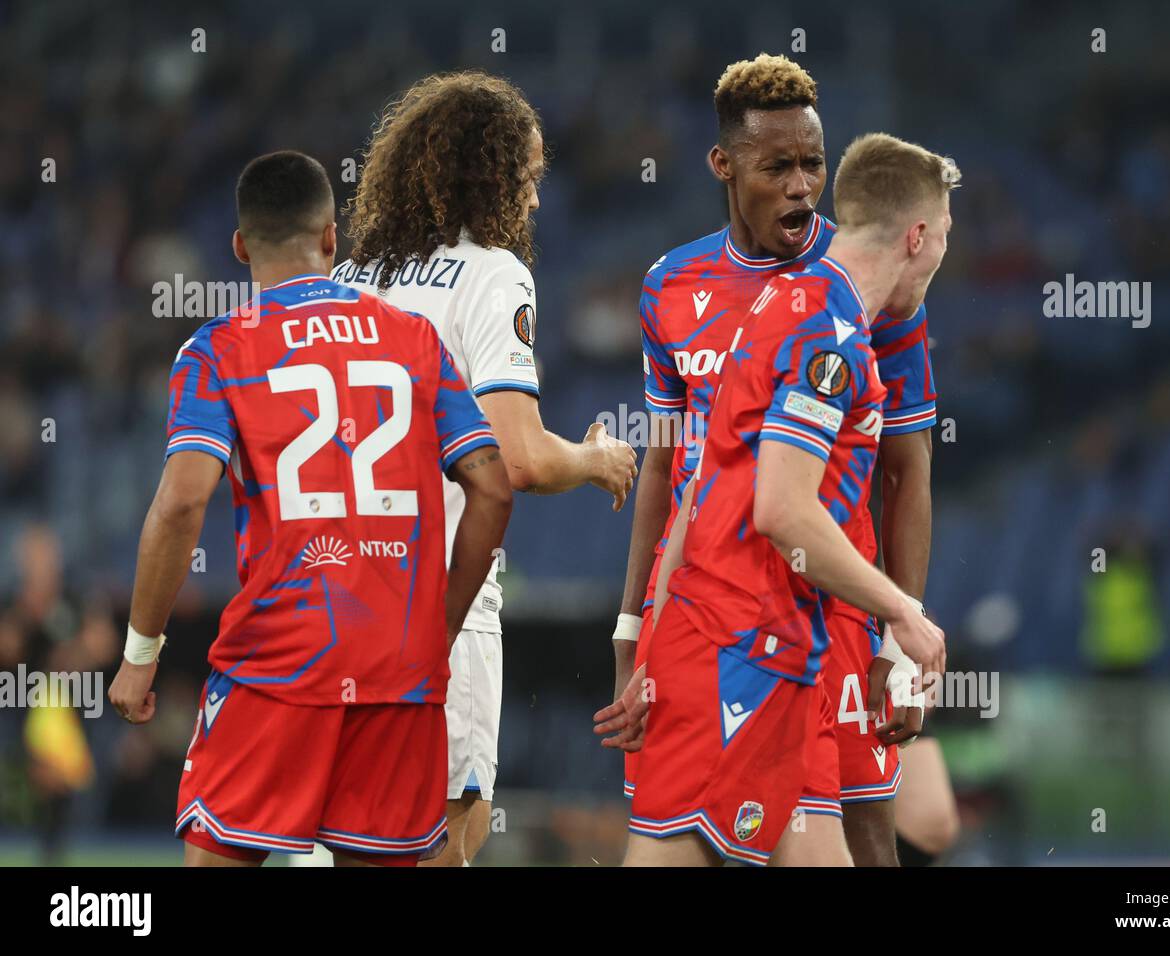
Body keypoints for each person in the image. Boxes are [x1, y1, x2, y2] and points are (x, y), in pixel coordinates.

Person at [108, 150, 513, 867]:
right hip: (399, 669)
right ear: (333, 237)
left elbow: (182, 503)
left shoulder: (217, 351)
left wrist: (141, 653)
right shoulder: (415, 339)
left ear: (240, 246)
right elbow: (493, 486)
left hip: (281, 661)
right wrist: (437, 625)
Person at [600, 133, 958, 866]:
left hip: (774, 646)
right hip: (734, 648)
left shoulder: (783, 304)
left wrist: (653, 645)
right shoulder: (828, 338)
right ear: (917, 236)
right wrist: (904, 614)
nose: (945, 255)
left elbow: (698, 489)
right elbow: (781, 511)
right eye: (946, 236)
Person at [337, 70, 638, 866]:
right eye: (528, 178)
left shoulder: (347, 280)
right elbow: (519, 458)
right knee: (447, 842)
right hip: (439, 605)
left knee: (354, 847)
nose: (535, 201)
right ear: (490, 176)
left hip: (334, 611)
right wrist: (597, 458)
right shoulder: (491, 274)